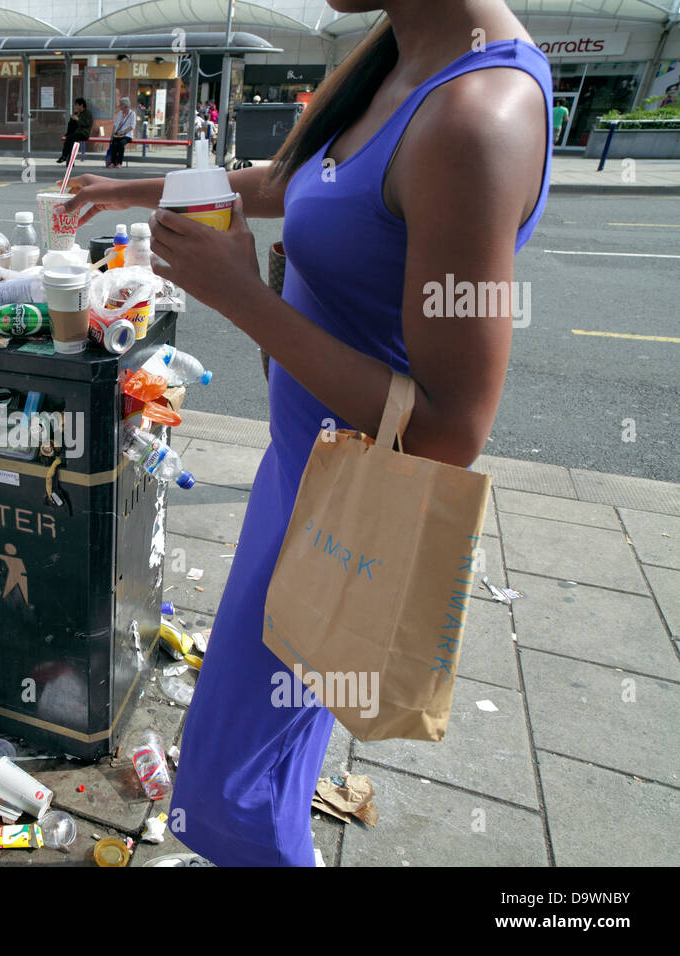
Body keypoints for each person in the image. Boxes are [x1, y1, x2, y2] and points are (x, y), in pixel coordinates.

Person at [62, 0, 551, 866]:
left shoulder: (476, 119)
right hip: (298, 472)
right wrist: (123, 190)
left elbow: (450, 430)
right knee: (266, 754)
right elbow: (296, 181)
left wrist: (242, 298)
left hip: (351, 512)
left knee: (227, 787)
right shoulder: (399, 48)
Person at [58, 96, 92, 163]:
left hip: (84, 133)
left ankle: (65, 156)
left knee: (70, 139)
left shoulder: (87, 113)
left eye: (77, 105)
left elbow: (86, 124)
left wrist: (78, 119)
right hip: (76, 133)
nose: (76, 107)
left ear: (81, 105)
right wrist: (72, 119)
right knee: (69, 139)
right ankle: (67, 158)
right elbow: (71, 125)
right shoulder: (77, 113)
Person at [108, 97, 136, 167]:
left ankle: (119, 163)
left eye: (121, 104)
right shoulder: (119, 113)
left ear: (125, 105)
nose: (119, 106)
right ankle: (112, 162)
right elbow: (115, 125)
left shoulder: (132, 114)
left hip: (127, 135)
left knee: (121, 144)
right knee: (114, 144)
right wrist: (112, 135)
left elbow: (132, 126)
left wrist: (124, 132)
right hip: (118, 134)